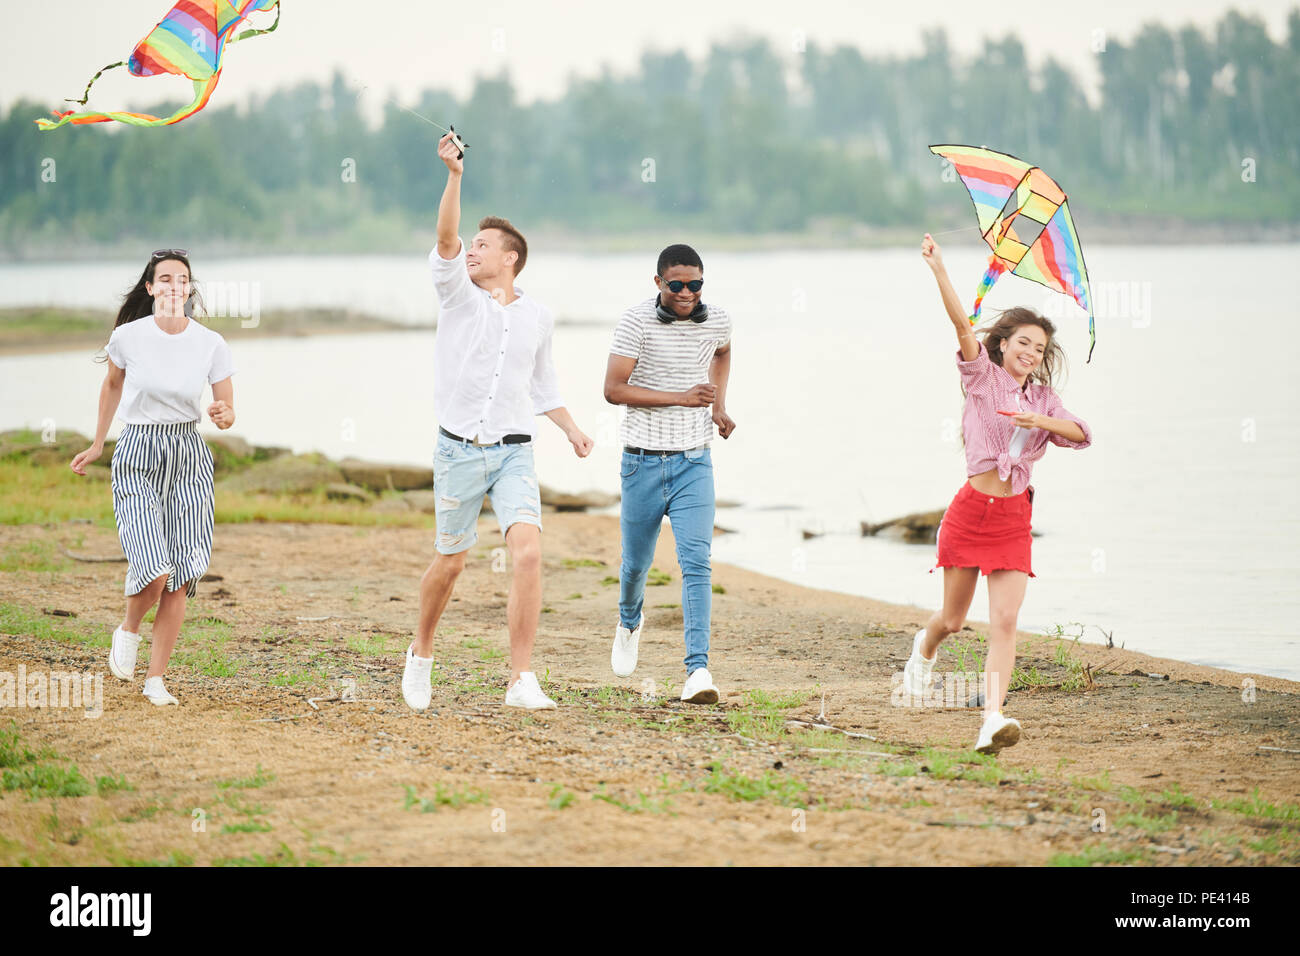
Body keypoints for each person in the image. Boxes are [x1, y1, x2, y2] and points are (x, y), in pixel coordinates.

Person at [402, 131, 594, 713]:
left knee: (530, 552)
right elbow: (443, 237)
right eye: (471, 244)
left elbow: (542, 385)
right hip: (458, 450)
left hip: (515, 449)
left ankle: (521, 679)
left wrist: (571, 427)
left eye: (482, 245)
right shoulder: (457, 295)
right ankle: (421, 652)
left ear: (510, 257)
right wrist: (455, 176)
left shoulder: (538, 316)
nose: (471, 251)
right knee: (452, 561)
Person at [906, 233, 1092, 753]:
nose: (1031, 353)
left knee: (1006, 620)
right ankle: (923, 650)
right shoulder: (981, 378)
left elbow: (1083, 433)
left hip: (1014, 518)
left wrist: (1040, 418)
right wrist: (939, 268)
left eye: (1040, 347)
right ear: (1005, 343)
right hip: (970, 513)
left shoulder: (1046, 398)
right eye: (1024, 343)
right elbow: (962, 324)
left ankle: (992, 718)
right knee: (953, 619)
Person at [70, 250, 236, 706]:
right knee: (155, 568)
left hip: (188, 455)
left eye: (182, 279)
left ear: (189, 289)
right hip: (139, 451)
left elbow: (226, 408)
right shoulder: (127, 337)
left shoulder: (210, 343)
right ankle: (128, 628)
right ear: (150, 288)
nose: (173, 286)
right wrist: (99, 442)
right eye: (164, 279)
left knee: (181, 574)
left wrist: (224, 415)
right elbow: (112, 387)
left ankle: (155, 679)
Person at [603, 243, 735, 704]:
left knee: (696, 564)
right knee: (635, 565)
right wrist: (682, 397)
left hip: (693, 462)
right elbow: (613, 390)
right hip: (641, 461)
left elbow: (722, 351)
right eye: (676, 285)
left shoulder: (717, 318)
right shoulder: (635, 321)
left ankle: (698, 671)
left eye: (695, 285)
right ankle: (628, 621)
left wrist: (717, 406)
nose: (686, 294)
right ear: (658, 282)